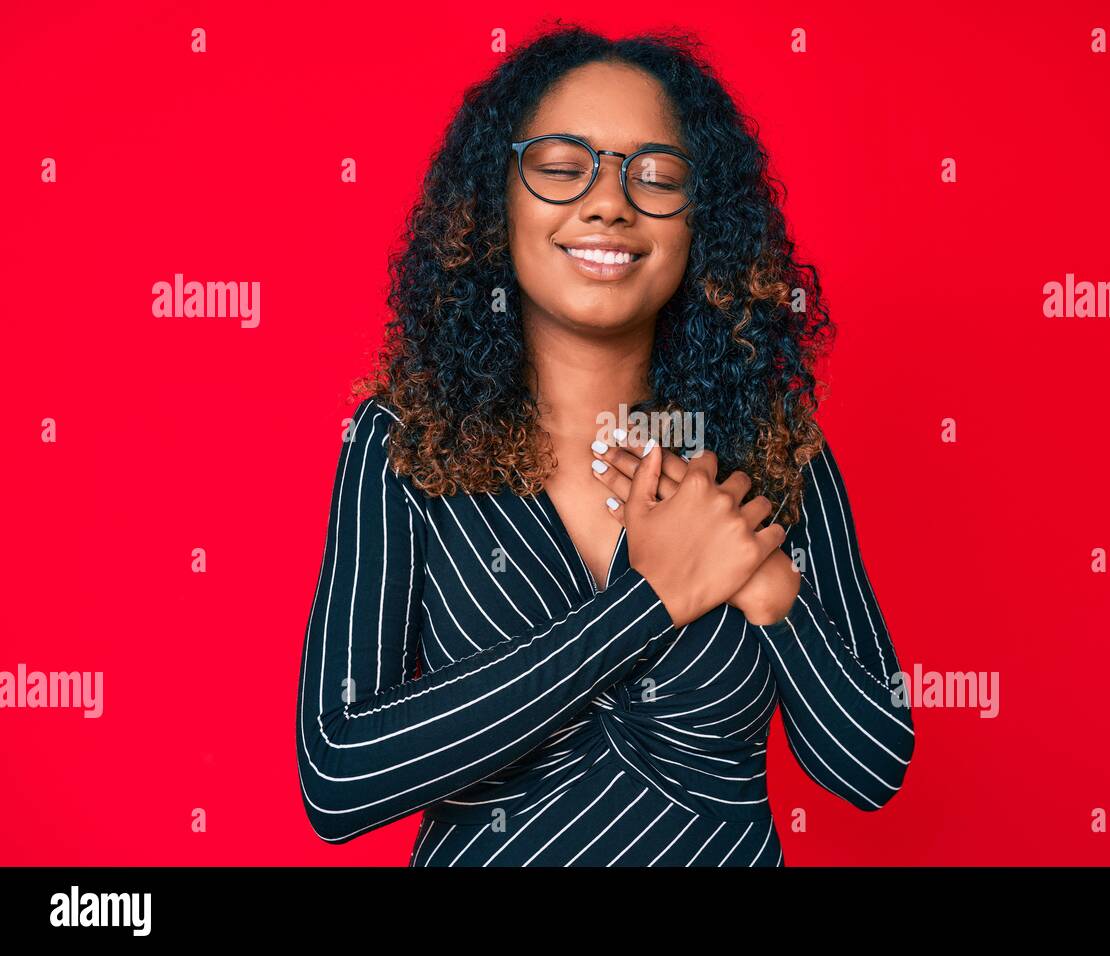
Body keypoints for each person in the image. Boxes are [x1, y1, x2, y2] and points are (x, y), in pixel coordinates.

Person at [295, 24, 915, 866]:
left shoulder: (771, 448)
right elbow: (338, 778)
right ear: (495, 201)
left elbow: (871, 767)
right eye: (560, 167)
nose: (609, 202)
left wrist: (776, 596)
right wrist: (652, 599)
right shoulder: (408, 442)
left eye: (655, 177)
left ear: (704, 224)